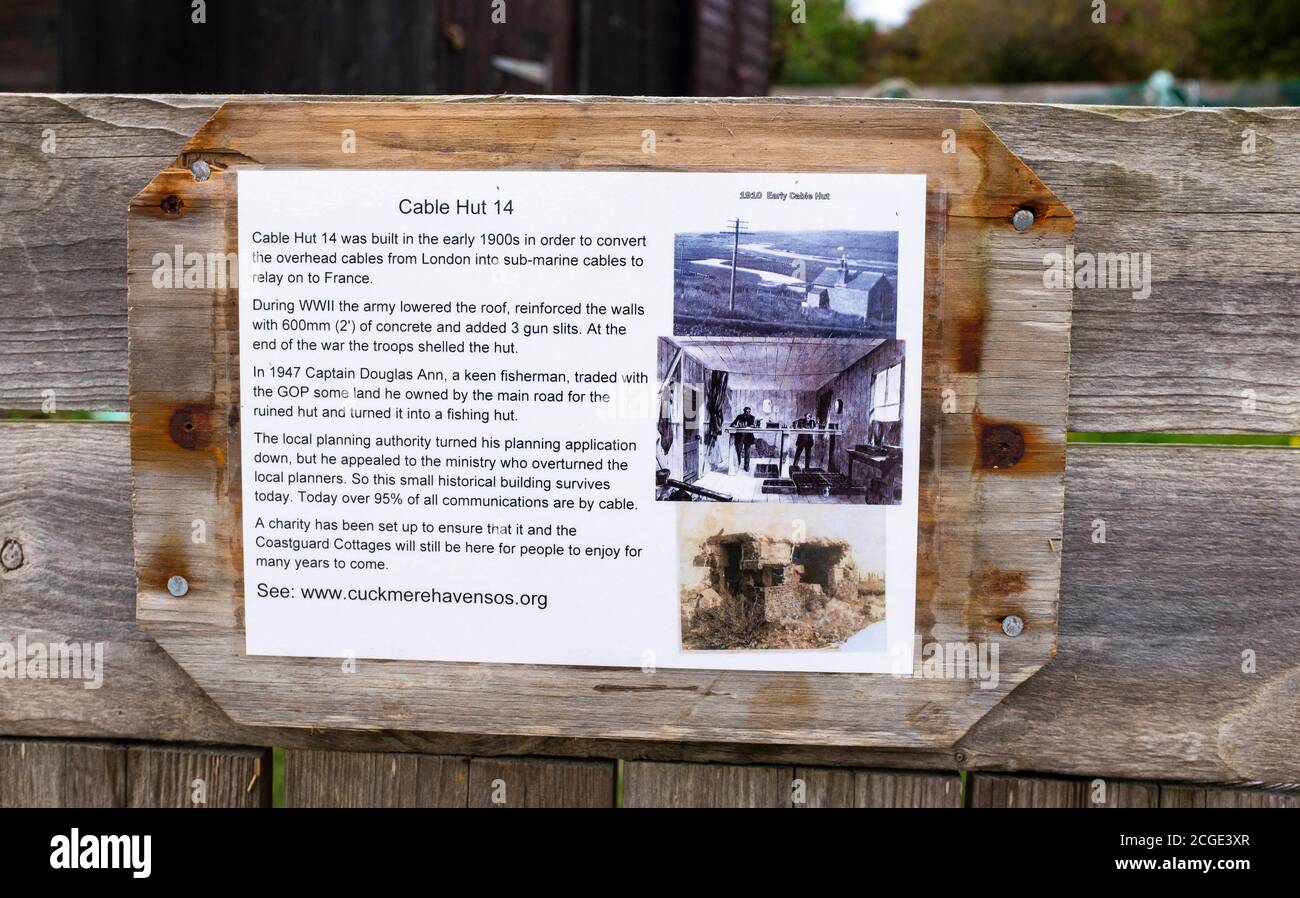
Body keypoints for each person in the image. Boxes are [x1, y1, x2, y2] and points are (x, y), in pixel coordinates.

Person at [730, 407, 757, 471]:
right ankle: (737, 465)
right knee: (738, 451)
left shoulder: (752, 417)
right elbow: (733, 423)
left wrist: (752, 426)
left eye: (749, 412)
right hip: (739, 436)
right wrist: (734, 425)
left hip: (748, 437)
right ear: (744, 411)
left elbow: (752, 425)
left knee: (747, 452)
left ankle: (746, 467)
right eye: (746, 412)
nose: (748, 413)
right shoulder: (739, 416)